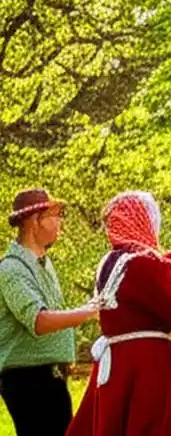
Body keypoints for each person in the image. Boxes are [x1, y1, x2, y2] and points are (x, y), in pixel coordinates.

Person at [67, 191, 171, 436]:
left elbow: (156, 272)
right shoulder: (144, 262)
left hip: (119, 363)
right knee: (151, 425)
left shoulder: (111, 261)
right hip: (147, 365)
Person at [0, 187, 98, 436]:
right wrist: (89, 311)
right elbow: (39, 321)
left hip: (48, 376)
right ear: (34, 221)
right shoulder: (12, 269)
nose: (60, 222)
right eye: (55, 215)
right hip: (27, 379)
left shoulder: (43, 264)